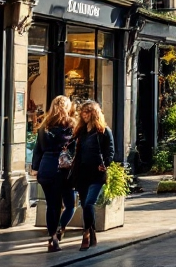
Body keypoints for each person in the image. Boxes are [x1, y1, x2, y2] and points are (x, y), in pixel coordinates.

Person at [32, 96, 76, 252]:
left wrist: (35, 168)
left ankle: (53, 237)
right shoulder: (70, 125)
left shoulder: (45, 125)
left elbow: (37, 149)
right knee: (65, 204)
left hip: (45, 167)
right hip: (61, 169)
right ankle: (56, 234)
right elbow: (75, 148)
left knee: (52, 205)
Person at [70, 101, 114, 252]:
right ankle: (92, 231)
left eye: (87, 112)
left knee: (89, 203)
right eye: (83, 113)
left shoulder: (103, 131)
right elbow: (75, 150)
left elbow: (110, 151)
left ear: (94, 113)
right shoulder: (81, 131)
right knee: (84, 205)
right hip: (82, 173)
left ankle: (86, 233)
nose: (84, 115)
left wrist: (105, 164)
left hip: (96, 173)